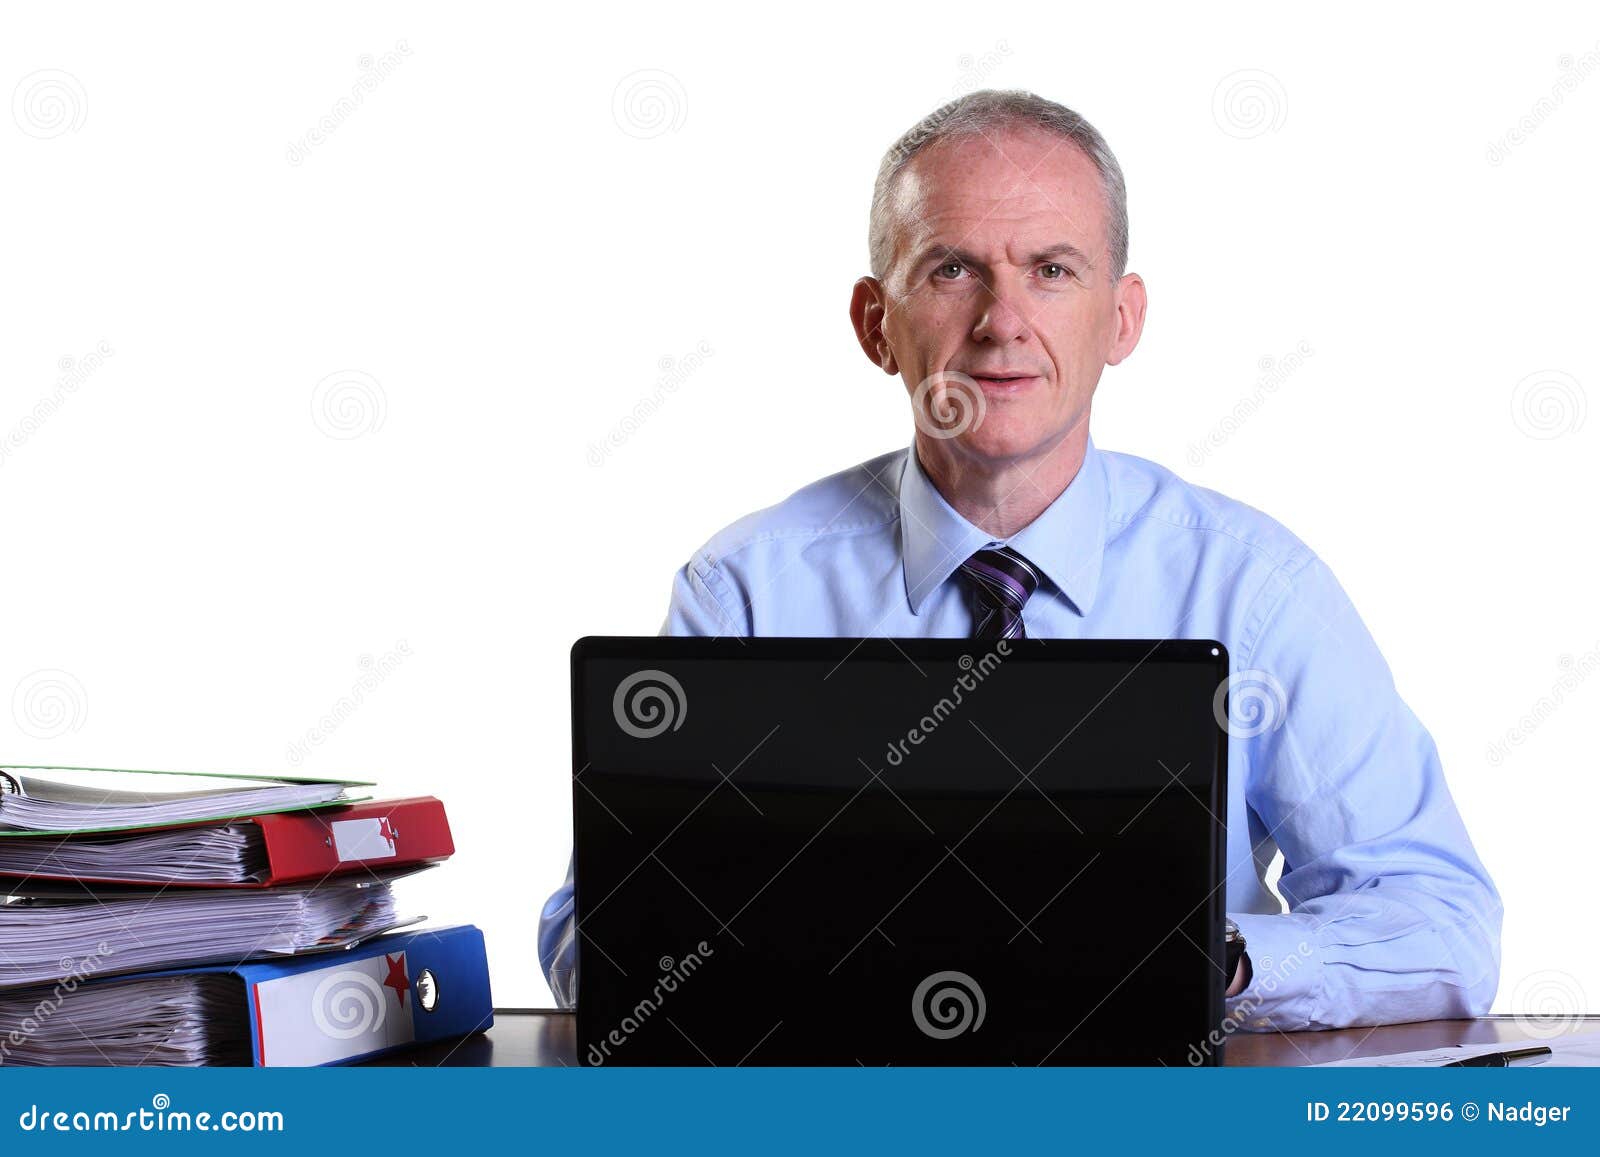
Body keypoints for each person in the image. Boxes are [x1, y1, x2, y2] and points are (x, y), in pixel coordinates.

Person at [539, 89, 1501, 1031]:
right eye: (953, 269)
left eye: (1051, 269)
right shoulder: (747, 593)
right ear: (876, 323)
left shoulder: (1253, 590)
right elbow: (598, 942)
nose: (1003, 322)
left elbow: (1444, 928)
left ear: (1122, 319)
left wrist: (1210, 958)